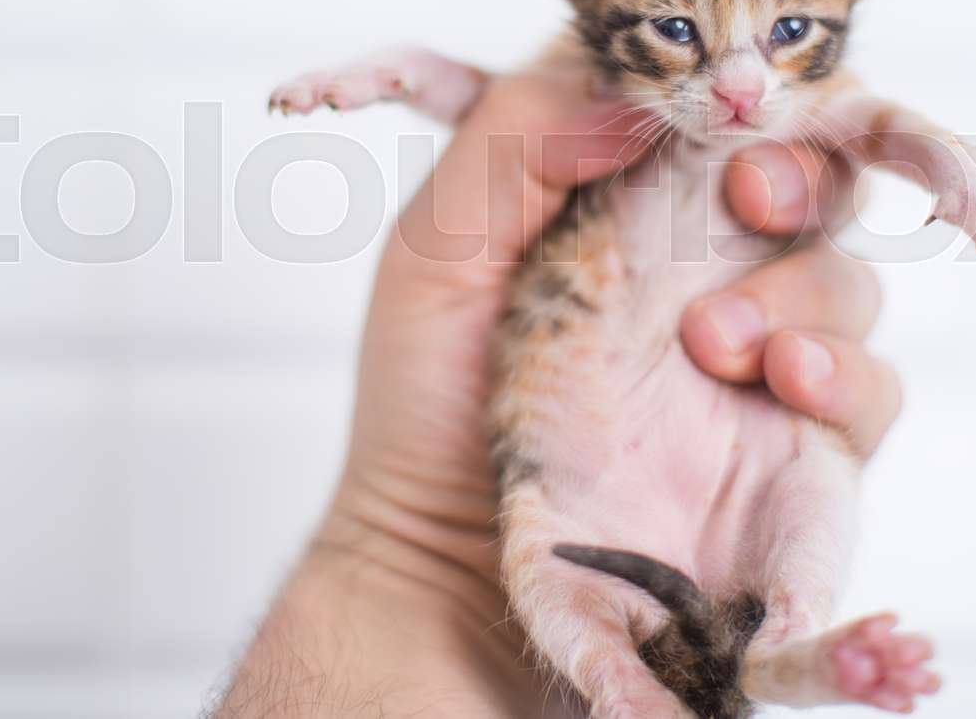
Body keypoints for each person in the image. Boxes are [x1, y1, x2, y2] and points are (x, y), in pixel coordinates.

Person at [220, 71, 903, 718]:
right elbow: (491, 99)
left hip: (733, 472)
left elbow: (873, 122)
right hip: (586, 491)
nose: (735, 79)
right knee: (549, 546)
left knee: (814, 468)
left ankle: (794, 647)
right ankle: (626, 686)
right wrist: (418, 547)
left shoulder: (774, 106)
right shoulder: (594, 98)